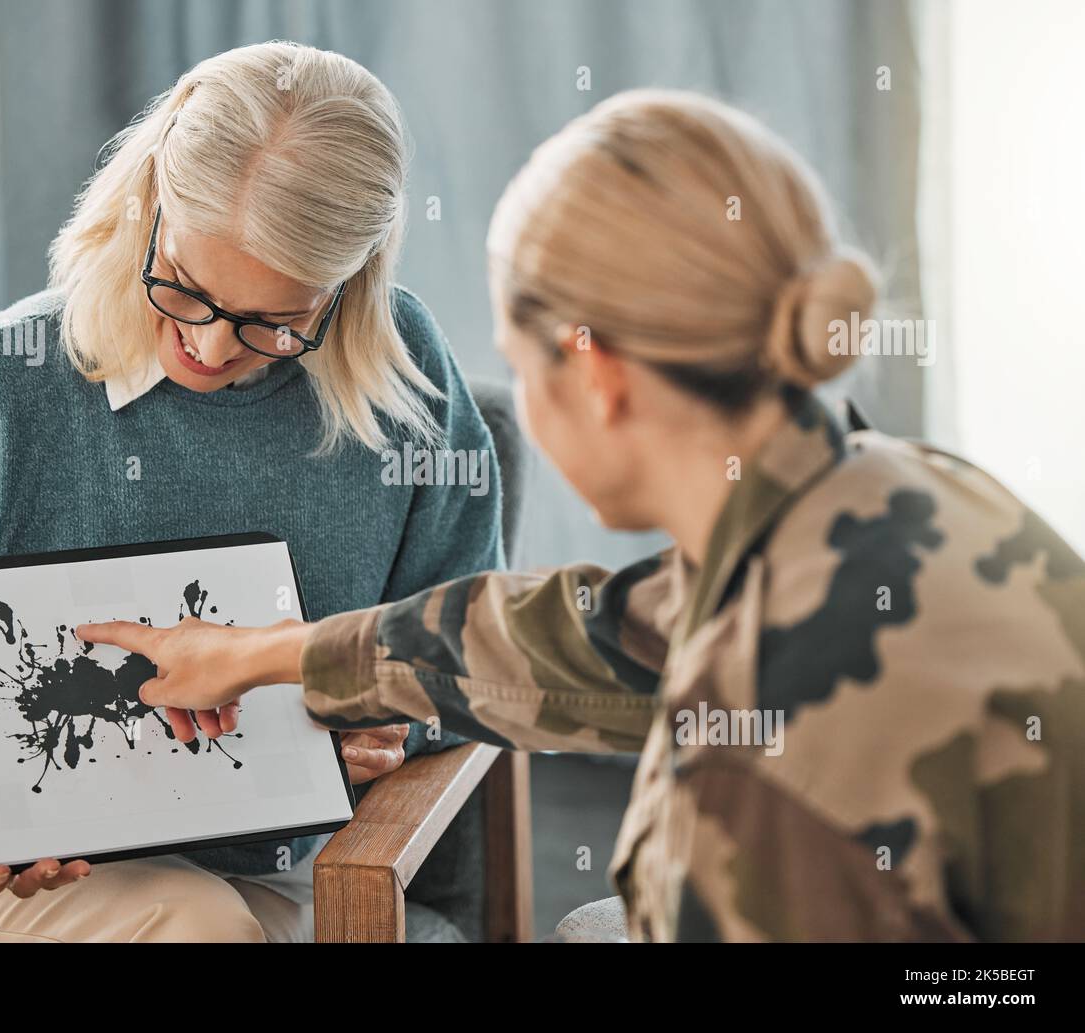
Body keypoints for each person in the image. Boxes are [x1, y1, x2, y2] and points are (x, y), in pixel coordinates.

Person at [78, 89, 1085, 942]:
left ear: (593, 373)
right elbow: (593, 634)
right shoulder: (889, 490)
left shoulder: (750, 788)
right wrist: (266, 655)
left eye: (522, 368)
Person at [0, 41, 502, 943]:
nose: (209, 349)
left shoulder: (408, 382)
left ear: (348, 285)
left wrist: (387, 726)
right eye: (186, 289)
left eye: (272, 324)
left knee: (206, 919)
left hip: (265, 870)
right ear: (147, 209)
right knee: (195, 927)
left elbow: (470, 658)